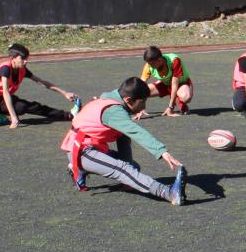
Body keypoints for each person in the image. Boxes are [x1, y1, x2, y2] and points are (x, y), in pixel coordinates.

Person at [63, 77, 187, 206]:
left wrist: (129, 170)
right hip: (81, 151)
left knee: (133, 168)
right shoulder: (113, 112)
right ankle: (169, 193)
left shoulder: (113, 99)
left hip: (92, 147)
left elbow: (124, 136)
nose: (144, 106)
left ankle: (78, 170)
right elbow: (137, 132)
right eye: (142, 102)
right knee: (123, 170)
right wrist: (162, 152)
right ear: (128, 100)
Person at [0, 44, 79, 128]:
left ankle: (68, 115)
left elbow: (41, 82)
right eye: (22, 59)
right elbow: (5, 92)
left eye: (26, 59)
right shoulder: (5, 70)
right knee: (24, 107)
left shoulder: (22, 69)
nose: (25, 62)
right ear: (12, 59)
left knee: (30, 106)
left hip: (5, 98)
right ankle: (68, 115)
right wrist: (14, 118)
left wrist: (65, 93)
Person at [140, 45, 195, 116]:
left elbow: (174, 85)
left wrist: (170, 107)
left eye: (151, 64)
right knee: (143, 91)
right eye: (148, 63)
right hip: (165, 84)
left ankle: (179, 100)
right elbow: (140, 86)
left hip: (180, 84)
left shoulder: (174, 60)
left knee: (186, 97)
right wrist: (139, 108)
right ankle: (175, 97)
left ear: (159, 60)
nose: (149, 66)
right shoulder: (148, 65)